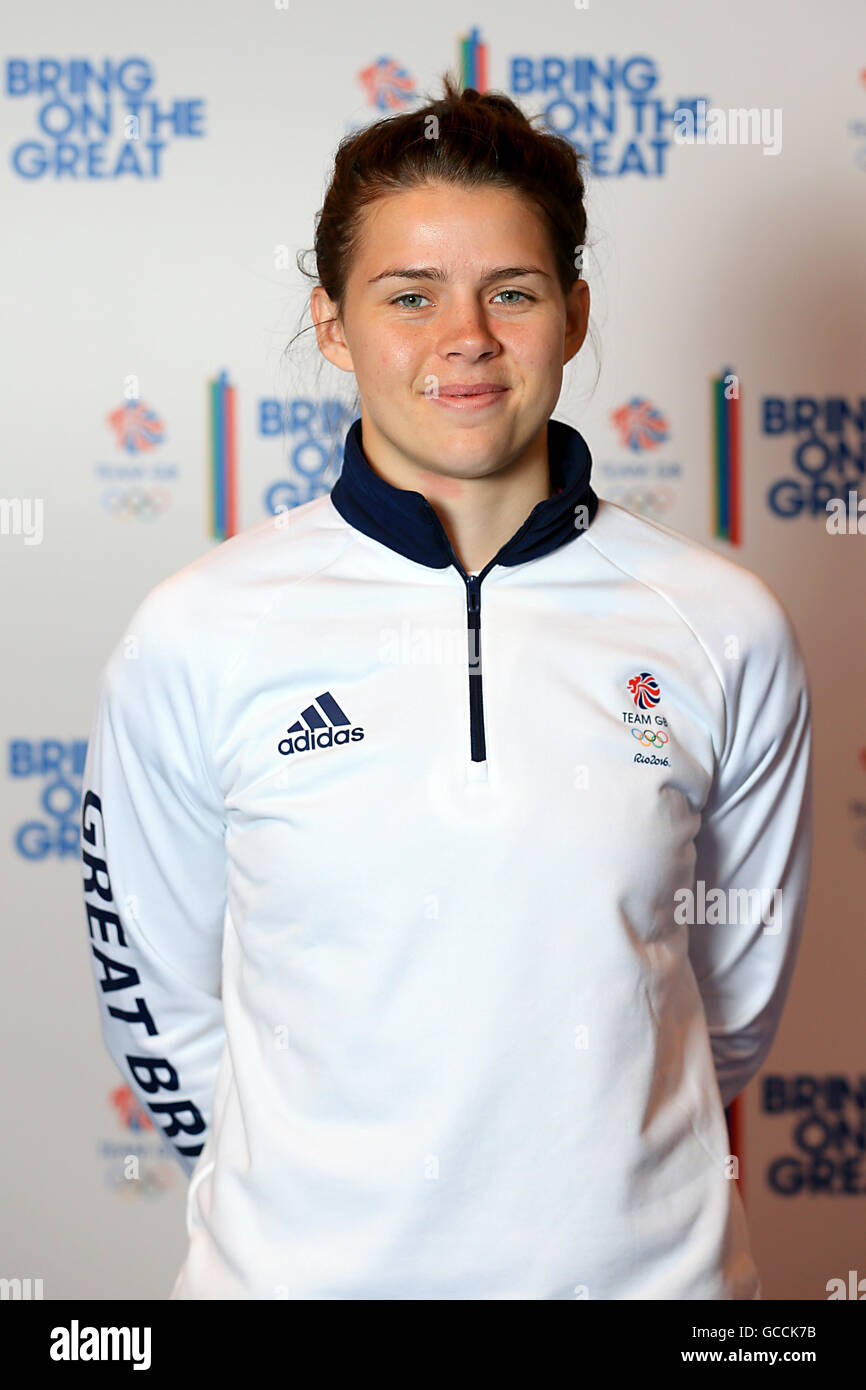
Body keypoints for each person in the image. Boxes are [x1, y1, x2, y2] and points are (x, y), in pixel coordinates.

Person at [80, 74, 813, 1300]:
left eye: (510, 292)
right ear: (330, 323)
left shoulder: (722, 625)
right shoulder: (197, 632)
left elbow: (729, 1007)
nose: (464, 337)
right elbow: (153, 1003)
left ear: (573, 315)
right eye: (407, 296)